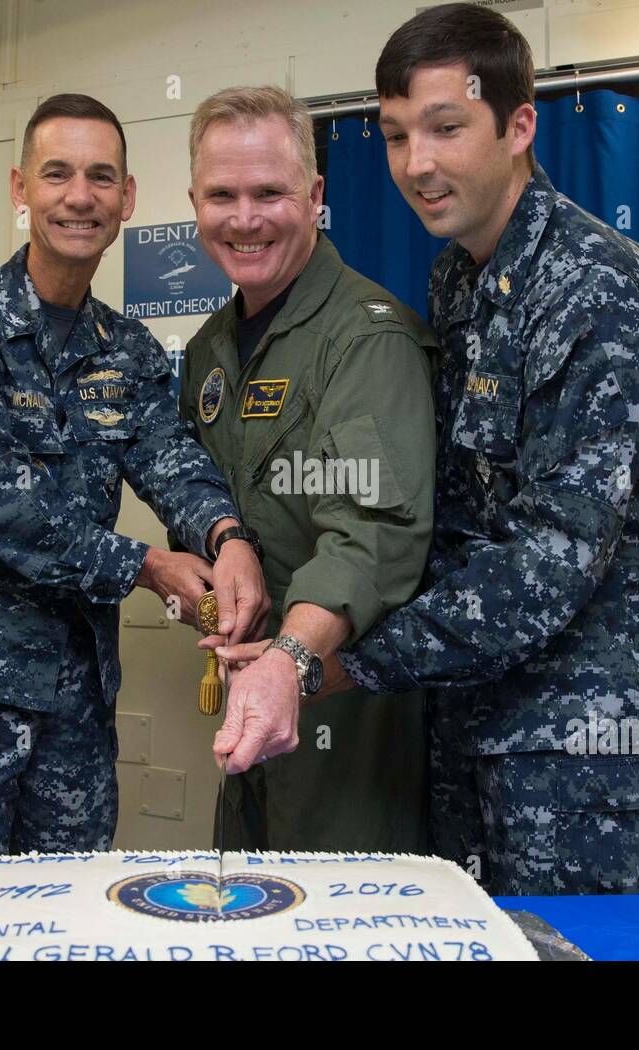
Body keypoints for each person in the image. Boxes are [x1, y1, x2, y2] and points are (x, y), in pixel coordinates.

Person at [216, 3, 639, 896]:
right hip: (464, 719)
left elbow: (552, 559)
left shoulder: (601, 288)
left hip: (575, 748)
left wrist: (336, 661)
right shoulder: (459, 278)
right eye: (397, 135)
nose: (417, 164)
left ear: (520, 126)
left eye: (446, 128)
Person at [0, 93, 268, 895]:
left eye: (100, 177)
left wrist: (226, 536)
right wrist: (149, 566)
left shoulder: (129, 349)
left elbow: (170, 459)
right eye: (57, 175)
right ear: (21, 188)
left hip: (74, 704)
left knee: (65, 912)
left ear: (127, 198)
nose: (79, 197)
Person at [184, 86, 438, 851]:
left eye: (269, 193)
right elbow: (203, 491)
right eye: (222, 195)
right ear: (194, 203)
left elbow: (371, 534)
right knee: (245, 900)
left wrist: (290, 658)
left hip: (346, 716)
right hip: (249, 708)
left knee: (338, 906)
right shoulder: (207, 352)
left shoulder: (366, 340)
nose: (245, 219)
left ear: (315, 196)